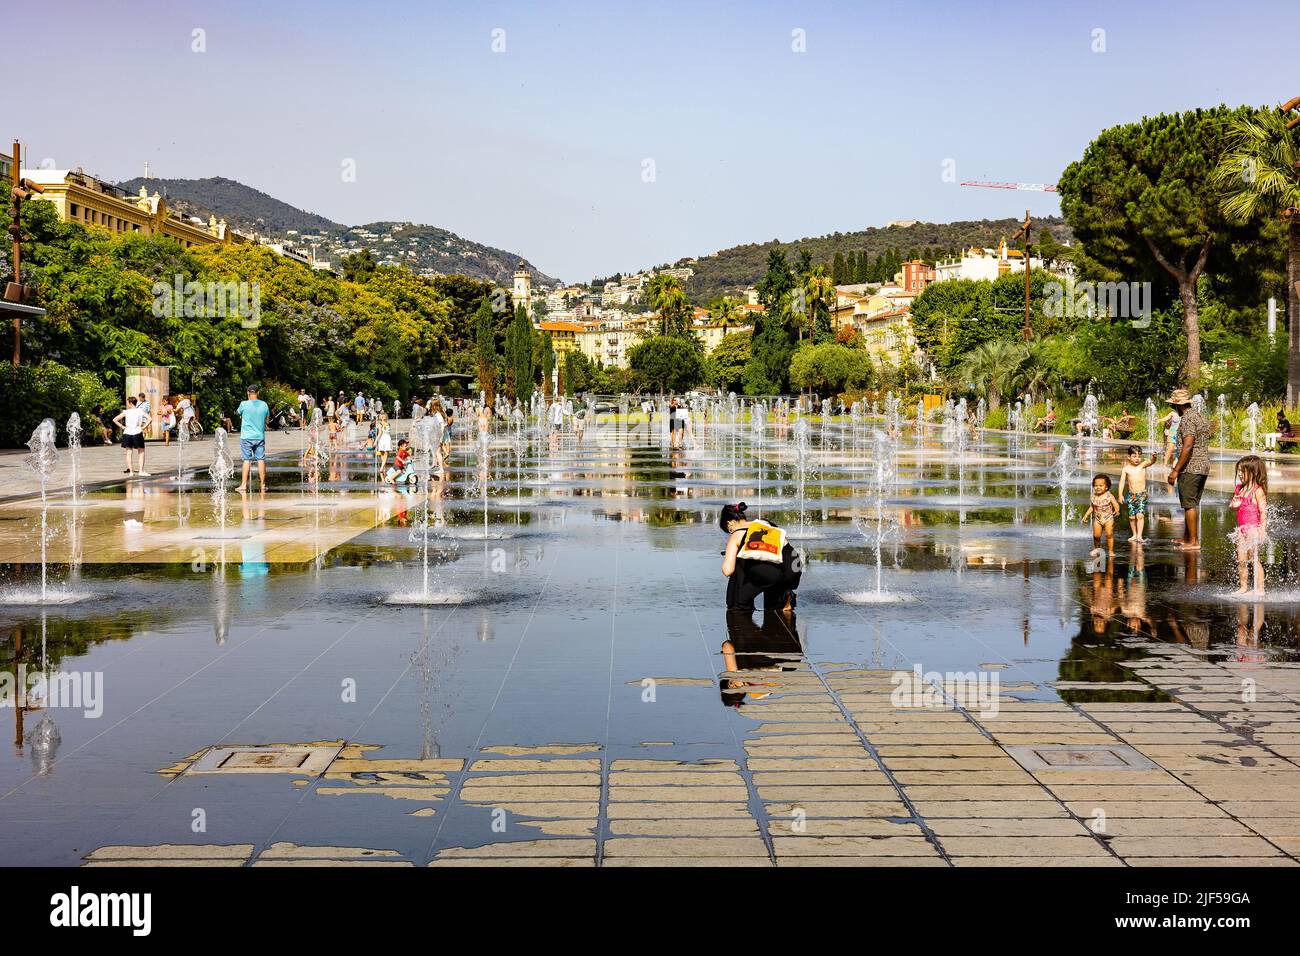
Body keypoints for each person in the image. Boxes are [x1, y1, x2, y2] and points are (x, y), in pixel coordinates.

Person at [719, 502, 800, 613]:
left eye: (728, 530)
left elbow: (728, 570)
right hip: (794, 567)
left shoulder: (736, 534)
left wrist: (731, 556)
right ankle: (783, 598)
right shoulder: (765, 523)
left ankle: (739, 606)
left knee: (739, 564)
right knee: (766, 566)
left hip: (772, 575)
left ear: (730, 523)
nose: (730, 532)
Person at [1165, 388, 1211, 551]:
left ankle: (1193, 541)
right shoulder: (1200, 417)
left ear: (1178, 406)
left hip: (1191, 466)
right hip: (1203, 464)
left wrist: (1176, 470)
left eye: (1173, 406)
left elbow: (1188, 446)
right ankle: (1187, 537)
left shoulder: (1187, 420)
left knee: (1189, 504)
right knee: (1190, 503)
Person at [1230, 455, 1268, 596]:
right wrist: (1234, 505)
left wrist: (1262, 530)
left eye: (1242, 471)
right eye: (1238, 470)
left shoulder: (1258, 491)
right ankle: (1243, 587)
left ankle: (1259, 589)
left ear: (1253, 472)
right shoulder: (1240, 488)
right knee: (1241, 560)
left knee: (1254, 559)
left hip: (1253, 530)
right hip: (1241, 530)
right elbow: (1233, 504)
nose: (1239, 474)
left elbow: (1263, 511)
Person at [1117, 446, 1158, 543]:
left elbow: (1151, 462)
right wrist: (1120, 494)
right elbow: (1122, 482)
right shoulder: (1126, 469)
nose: (1137, 458)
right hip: (1131, 495)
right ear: (1129, 457)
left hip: (1141, 495)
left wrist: (1154, 457)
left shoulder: (1142, 465)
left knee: (1140, 516)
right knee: (1131, 517)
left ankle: (1139, 536)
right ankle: (1134, 534)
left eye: (1139, 456)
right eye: (1134, 456)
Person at [235, 384, 271, 492]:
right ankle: (263, 485)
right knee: (261, 459)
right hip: (259, 436)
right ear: (258, 393)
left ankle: (243, 485)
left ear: (248, 393)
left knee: (246, 460)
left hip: (246, 437)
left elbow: (238, 413)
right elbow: (267, 421)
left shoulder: (243, 404)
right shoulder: (264, 405)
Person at [112, 395, 151, 476]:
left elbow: (114, 420)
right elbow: (150, 419)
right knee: (141, 452)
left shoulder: (126, 412)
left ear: (130, 403)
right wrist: (143, 427)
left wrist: (123, 427)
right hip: (137, 432)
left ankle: (131, 472)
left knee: (129, 453)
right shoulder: (140, 411)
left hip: (127, 432)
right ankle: (141, 471)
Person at [1082, 473, 1119, 557]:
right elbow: (1092, 507)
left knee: (1109, 534)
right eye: (1095, 485)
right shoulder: (1093, 496)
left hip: (1108, 518)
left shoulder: (1109, 495)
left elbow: (1115, 504)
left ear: (1106, 487)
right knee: (1096, 536)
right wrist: (1086, 515)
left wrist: (1117, 510)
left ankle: (1110, 551)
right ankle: (1097, 549)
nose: (1098, 487)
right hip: (1098, 519)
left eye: (1100, 485)